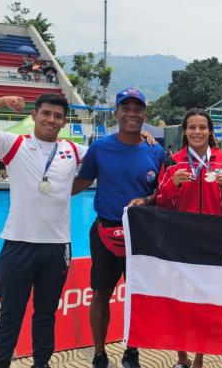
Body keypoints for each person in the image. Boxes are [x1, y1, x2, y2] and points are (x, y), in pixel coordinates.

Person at [0, 94, 86, 368]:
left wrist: (144, 138)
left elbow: (108, 156)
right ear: (34, 115)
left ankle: (41, 363)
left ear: (64, 122)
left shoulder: (73, 151)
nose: (51, 120)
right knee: (11, 314)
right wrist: (0, 102)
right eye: (46, 113)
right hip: (18, 244)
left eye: (58, 116)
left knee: (46, 314)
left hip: (57, 247)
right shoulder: (14, 144)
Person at [71, 87, 166, 368]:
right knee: (101, 293)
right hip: (106, 231)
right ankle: (100, 354)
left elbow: (163, 192)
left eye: (137, 109)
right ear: (117, 113)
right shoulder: (100, 148)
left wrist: (147, 199)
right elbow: (83, 181)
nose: (132, 114)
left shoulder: (155, 150)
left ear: (144, 115)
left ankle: (132, 350)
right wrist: (49, 192)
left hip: (142, 233)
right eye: (126, 108)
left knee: (138, 296)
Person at [156, 109, 222, 368]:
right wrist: (173, 185)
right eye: (192, 127)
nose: (197, 132)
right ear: (185, 132)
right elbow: (162, 203)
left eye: (202, 127)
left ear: (210, 131)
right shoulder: (173, 162)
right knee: (180, 302)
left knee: (207, 302)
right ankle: (181, 357)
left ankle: (200, 358)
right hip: (181, 240)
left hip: (213, 240)